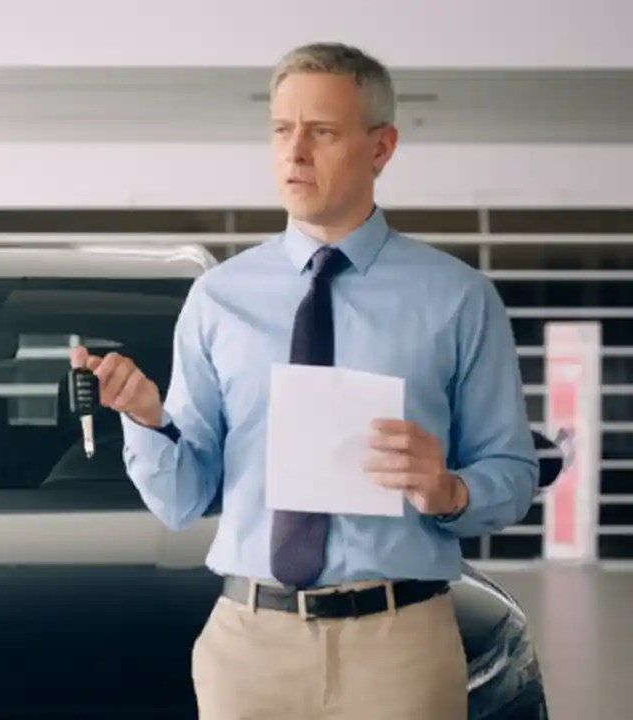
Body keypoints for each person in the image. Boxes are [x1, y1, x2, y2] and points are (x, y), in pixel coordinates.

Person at [70, 42, 538, 719]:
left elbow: (512, 471)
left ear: (381, 148)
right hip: (249, 648)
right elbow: (182, 502)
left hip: (401, 647)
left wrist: (450, 491)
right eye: (282, 130)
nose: (294, 152)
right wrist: (147, 420)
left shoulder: (458, 299)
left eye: (322, 132)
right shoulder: (218, 299)